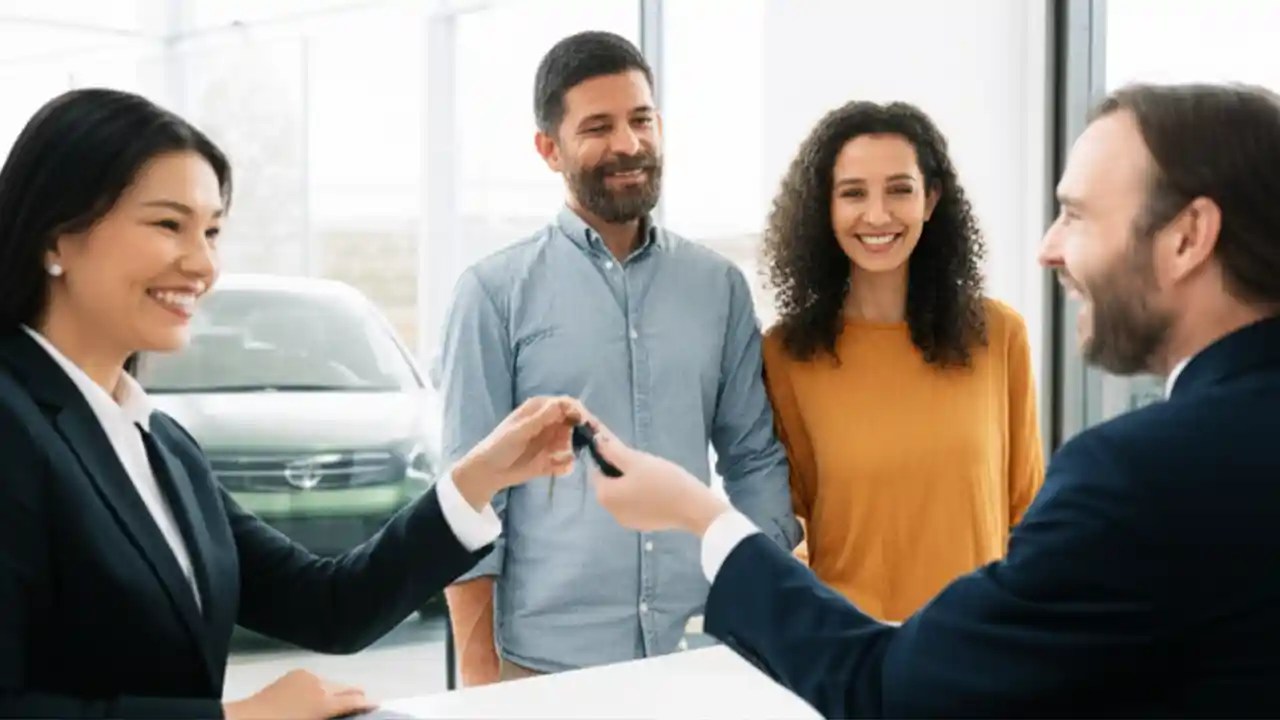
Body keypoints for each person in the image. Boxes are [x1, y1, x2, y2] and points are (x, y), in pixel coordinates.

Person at [589, 82, 1280, 717]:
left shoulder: (1134, 475)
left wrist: (697, 513)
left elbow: (897, 682)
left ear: (1189, 237)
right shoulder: (787, 356)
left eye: (1076, 214)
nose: (1048, 248)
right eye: (852, 192)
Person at [0, 87, 591, 720]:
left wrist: (481, 477)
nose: (203, 263)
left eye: (213, 231)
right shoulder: (12, 423)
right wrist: (241, 718)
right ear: (55, 239)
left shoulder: (159, 444)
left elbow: (326, 605)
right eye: (169, 224)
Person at [436, 30, 801, 684]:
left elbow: (752, 457)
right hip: (542, 669)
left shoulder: (717, 286)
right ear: (549, 149)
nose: (629, 144)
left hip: (698, 655)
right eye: (597, 127)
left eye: (641, 120)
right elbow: (468, 498)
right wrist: (479, 675)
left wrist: (766, 602)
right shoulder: (492, 295)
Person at [760, 100, 1044, 621]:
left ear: (931, 199)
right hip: (853, 653)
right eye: (852, 194)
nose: (877, 215)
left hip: (976, 643)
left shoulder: (1000, 335)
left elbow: (1026, 512)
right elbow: (789, 522)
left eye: (899, 189)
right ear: (825, 207)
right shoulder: (786, 355)